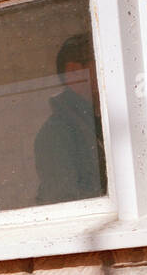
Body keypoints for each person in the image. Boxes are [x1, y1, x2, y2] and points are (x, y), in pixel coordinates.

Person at [34, 33, 106, 206]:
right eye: (100, 63)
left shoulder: (97, 120)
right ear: (74, 72)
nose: (109, 70)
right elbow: (65, 207)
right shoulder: (56, 134)